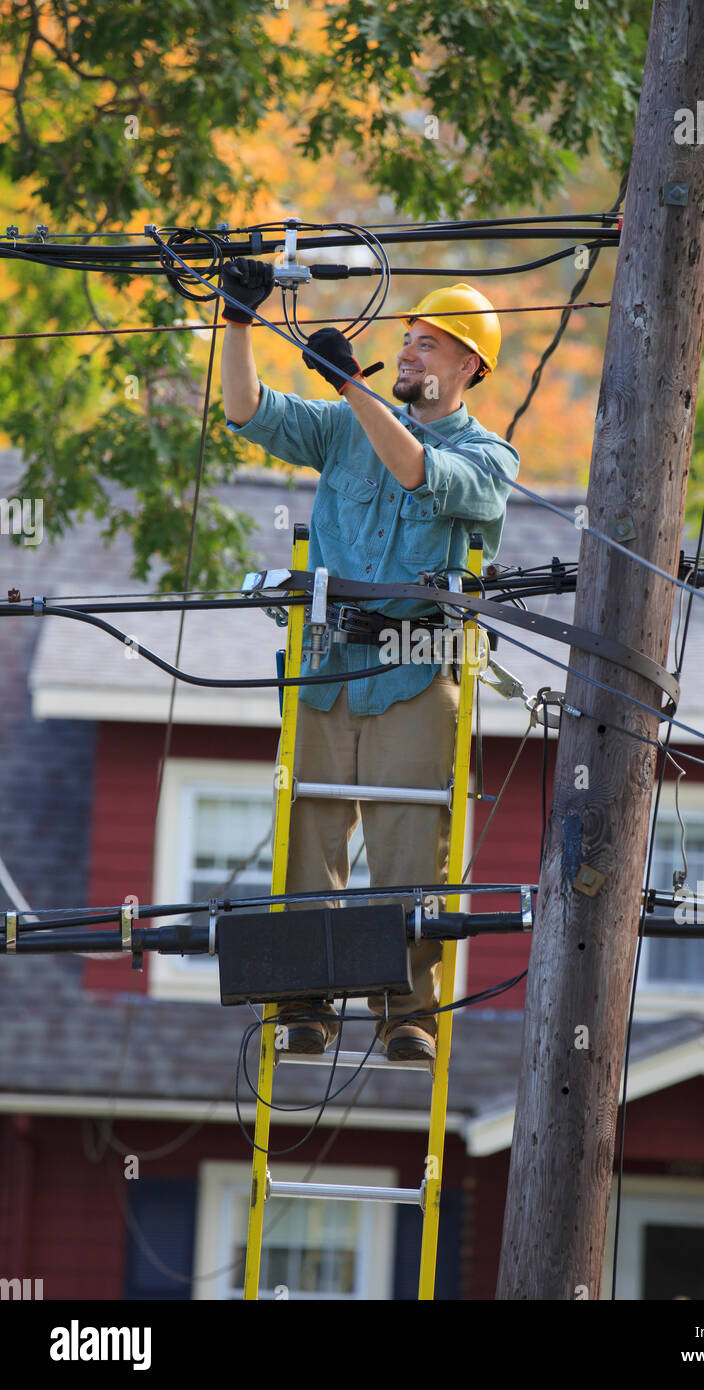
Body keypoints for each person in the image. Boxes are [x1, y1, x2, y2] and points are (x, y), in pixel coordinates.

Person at [220, 259, 519, 1069]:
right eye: (410, 341)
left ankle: (405, 1013)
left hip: (417, 664)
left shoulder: (492, 457)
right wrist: (237, 321)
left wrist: (356, 386)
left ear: (470, 368)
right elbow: (246, 411)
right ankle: (307, 1000)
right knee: (308, 833)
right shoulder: (344, 427)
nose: (413, 354)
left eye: (432, 345)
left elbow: (419, 469)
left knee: (407, 843)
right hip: (326, 658)